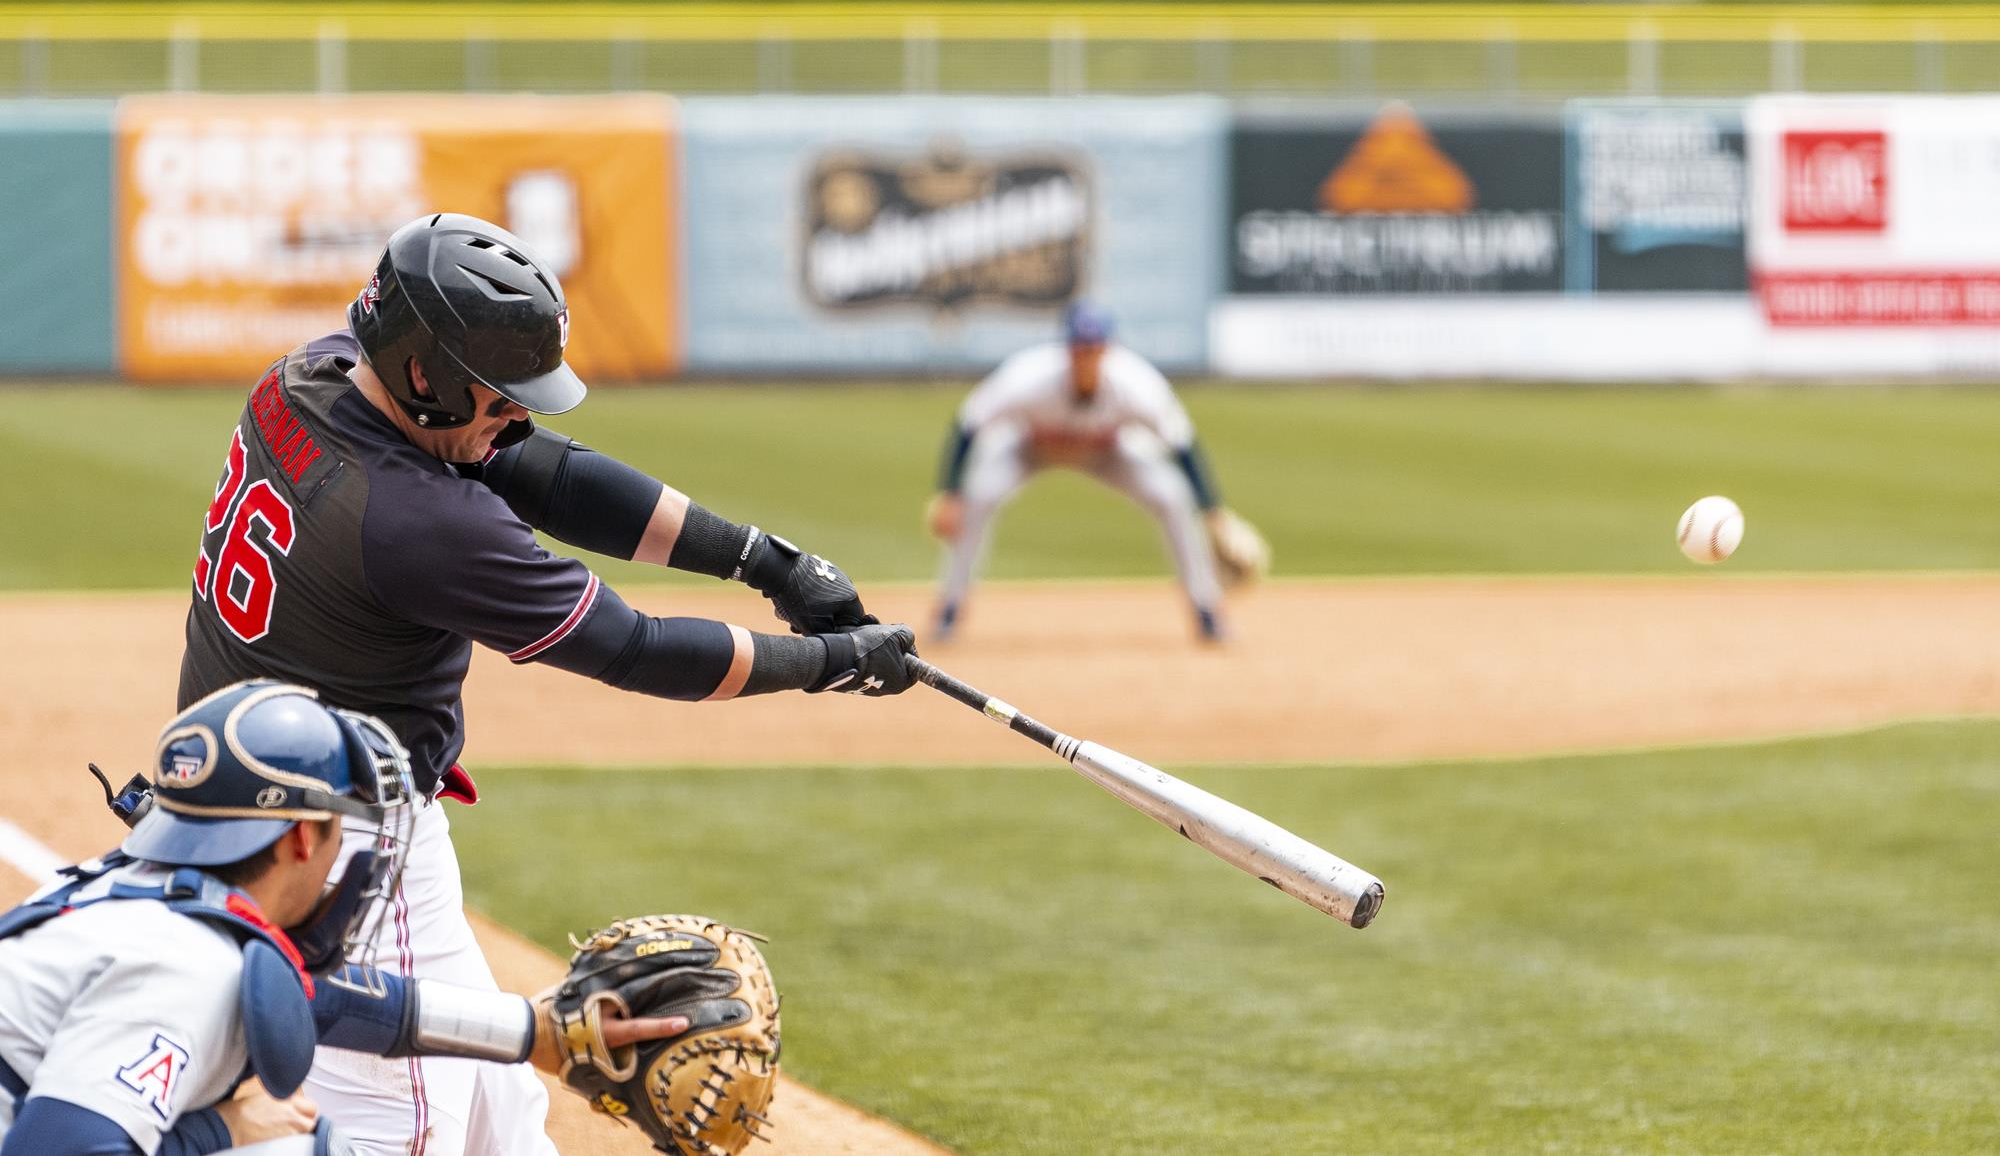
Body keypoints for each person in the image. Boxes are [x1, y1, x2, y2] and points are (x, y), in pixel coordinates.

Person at [176, 213, 918, 1156]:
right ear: (425, 375)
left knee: (499, 1109)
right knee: (397, 1131)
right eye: (499, 393)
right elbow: (635, 645)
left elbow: (547, 474)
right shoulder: (415, 520)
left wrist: (766, 560)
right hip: (333, 849)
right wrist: (828, 663)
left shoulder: (312, 377)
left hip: (234, 794)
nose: (518, 414)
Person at [0, 681, 688, 1156]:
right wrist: (220, 1127)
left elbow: (312, 996)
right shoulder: (181, 964)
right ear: (302, 837)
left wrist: (529, 1031)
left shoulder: (148, 893)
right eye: (342, 823)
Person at [926, 301, 1262, 643]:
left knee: (1172, 495)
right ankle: (950, 608)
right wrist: (950, 494)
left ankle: (1206, 610)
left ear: (1108, 349)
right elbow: (969, 422)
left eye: (1094, 348)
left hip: (1108, 450)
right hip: (1029, 446)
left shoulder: (1136, 383)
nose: (1086, 356)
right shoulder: (1029, 376)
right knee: (979, 495)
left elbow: (1182, 443)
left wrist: (1213, 511)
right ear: (1067, 348)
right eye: (1079, 348)